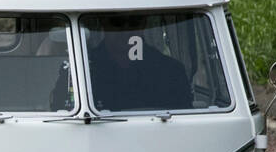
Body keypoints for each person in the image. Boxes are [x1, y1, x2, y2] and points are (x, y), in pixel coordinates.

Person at [51, 15, 195, 112]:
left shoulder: (170, 71)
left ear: (144, 25)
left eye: (133, 23)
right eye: (117, 22)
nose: (125, 31)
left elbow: (182, 121)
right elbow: (60, 110)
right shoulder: (78, 69)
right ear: (103, 24)